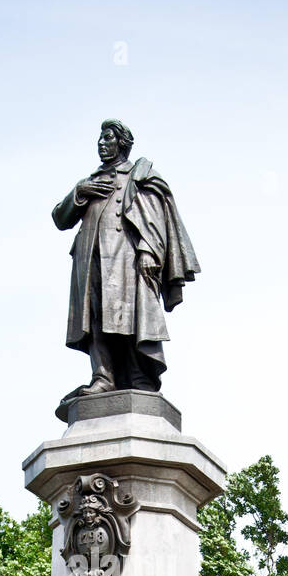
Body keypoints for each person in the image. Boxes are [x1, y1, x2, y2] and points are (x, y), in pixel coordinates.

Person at [52, 120, 200, 393]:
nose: (101, 144)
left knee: (129, 313)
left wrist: (148, 251)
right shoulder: (90, 182)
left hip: (126, 258)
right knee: (95, 316)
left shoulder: (139, 175)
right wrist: (78, 193)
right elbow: (60, 218)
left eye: (108, 138)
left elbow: (153, 218)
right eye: (100, 139)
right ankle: (103, 377)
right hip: (91, 258)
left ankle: (139, 377)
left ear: (122, 143)